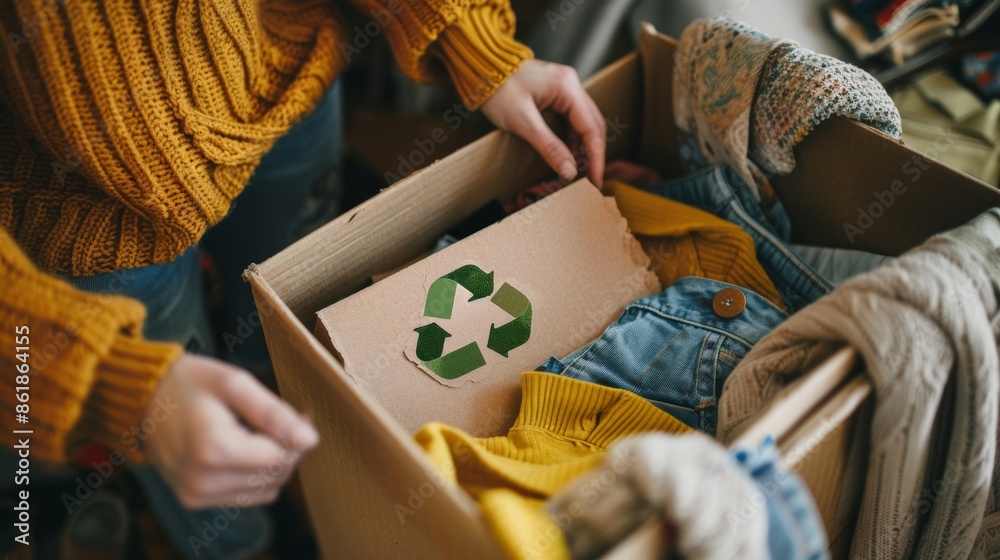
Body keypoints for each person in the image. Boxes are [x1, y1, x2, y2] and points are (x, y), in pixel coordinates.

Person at [0, 0, 606, 556]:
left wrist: (469, 38)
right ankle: (242, 545)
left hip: (286, 70)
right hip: (76, 206)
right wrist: (115, 382)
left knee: (290, 313)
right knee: (192, 444)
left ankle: (282, 397)